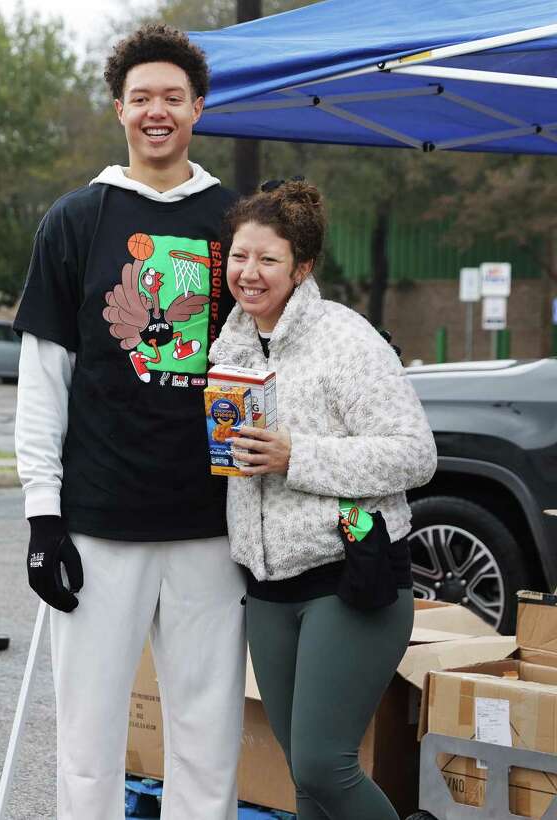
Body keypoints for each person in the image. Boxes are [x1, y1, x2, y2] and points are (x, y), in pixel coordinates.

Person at [13, 24, 245, 820]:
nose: (157, 111)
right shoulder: (76, 220)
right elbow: (44, 381)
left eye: (172, 98)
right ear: (119, 109)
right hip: (99, 524)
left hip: (211, 525)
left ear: (198, 109)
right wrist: (43, 520)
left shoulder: (235, 221)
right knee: (87, 742)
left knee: (208, 740)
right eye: (141, 97)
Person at [209, 179, 436, 820]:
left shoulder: (345, 340)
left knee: (322, 765)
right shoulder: (228, 344)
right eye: (239, 256)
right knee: (305, 781)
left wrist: (297, 456)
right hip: (268, 587)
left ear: (302, 267)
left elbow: (416, 454)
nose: (248, 273)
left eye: (268, 259)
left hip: (352, 576)